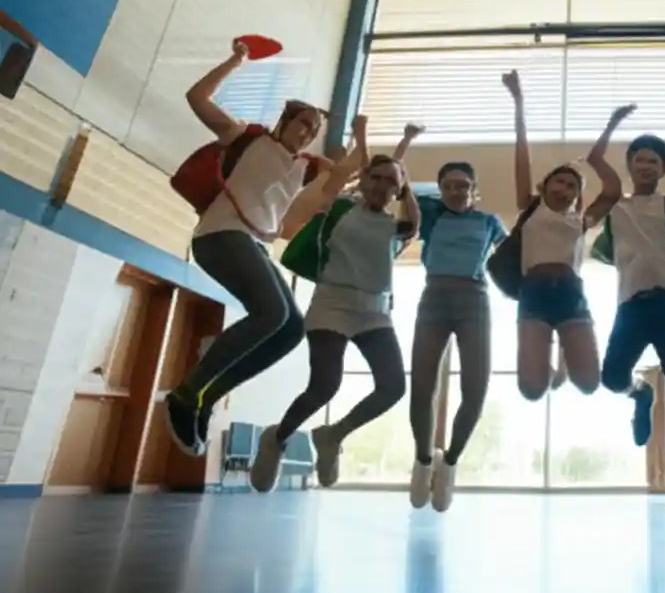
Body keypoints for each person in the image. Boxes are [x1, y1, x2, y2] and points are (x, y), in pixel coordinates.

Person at [165, 41, 362, 456]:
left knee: (290, 330)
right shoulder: (247, 136)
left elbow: (347, 176)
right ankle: (186, 393)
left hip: (253, 243)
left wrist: (350, 151)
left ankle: (206, 396)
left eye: (314, 129)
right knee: (271, 312)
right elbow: (196, 98)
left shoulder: (304, 168)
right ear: (285, 119)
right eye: (302, 122)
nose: (307, 131)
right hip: (220, 235)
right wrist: (236, 61)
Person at [250, 145, 420, 492]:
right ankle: (277, 438)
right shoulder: (340, 208)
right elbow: (345, 178)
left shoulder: (392, 226)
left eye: (391, 183)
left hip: (375, 311)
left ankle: (332, 435)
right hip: (333, 303)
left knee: (393, 387)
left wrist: (408, 187)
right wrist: (363, 142)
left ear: (397, 190)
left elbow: (414, 225)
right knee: (325, 384)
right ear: (366, 179)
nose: (382, 186)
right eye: (377, 178)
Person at [506, 70, 629, 400]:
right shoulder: (531, 208)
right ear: (545, 185)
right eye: (558, 181)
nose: (564, 187)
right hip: (534, 292)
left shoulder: (581, 220)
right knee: (532, 389)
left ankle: (563, 354)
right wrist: (518, 101)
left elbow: (613, 189)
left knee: (588, 384)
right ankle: (553, 352)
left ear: (577, 194)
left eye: (572, 185)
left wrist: (611, 127)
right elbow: (521, 152)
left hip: (571, 293)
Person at [408, 158, 508, 511]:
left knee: (476, 390)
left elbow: (511, 258)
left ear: (473, 189)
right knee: (421, 387)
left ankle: (448, 462)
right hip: (434, 297)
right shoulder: (430, 214)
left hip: (474, 300)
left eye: (463, 185)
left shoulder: (489, 221)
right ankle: (423, 461)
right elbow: (401, 185)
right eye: (448, 185)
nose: (455, 191)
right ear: (440, 189)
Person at [598, 133, 665, 447]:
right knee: (613, 378)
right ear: (629, 165)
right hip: (631, 304)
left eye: (653, 161)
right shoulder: (615, 204)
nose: (645, 166)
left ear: (663, 168)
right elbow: (594, 160)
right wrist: (612, 124)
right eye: (639, 160)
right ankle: (641, 393)